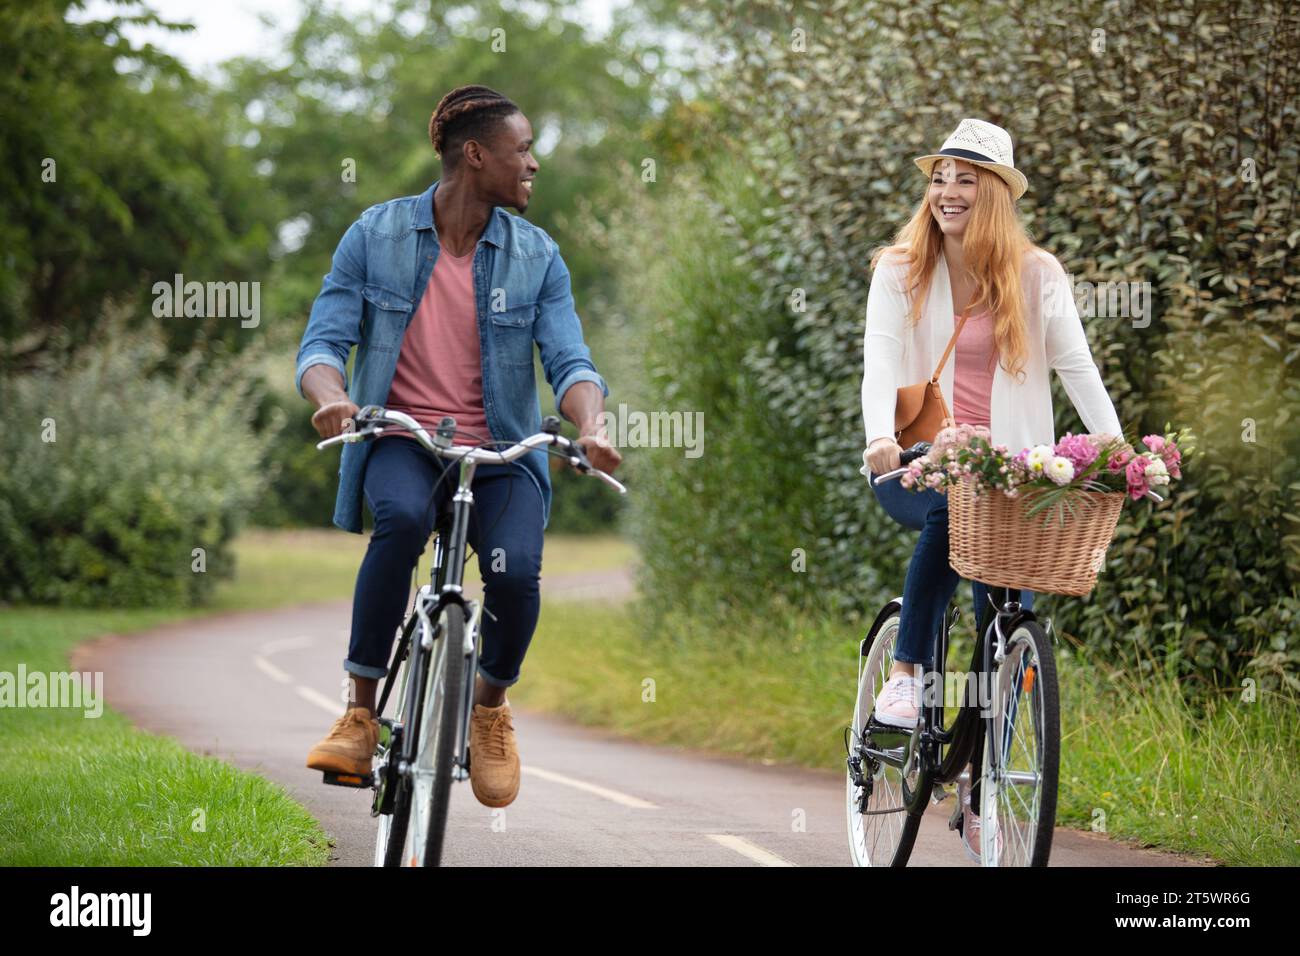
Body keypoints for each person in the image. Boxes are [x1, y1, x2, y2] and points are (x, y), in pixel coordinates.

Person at [295, 85, 621, 809]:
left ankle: (489, 709)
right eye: (523, 149)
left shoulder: (537, 257)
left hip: (502, 450)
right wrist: (333, 400)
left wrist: (591, 426)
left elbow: (571, 362)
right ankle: (359, 713)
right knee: (403, 522)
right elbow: (323, 342)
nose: (534, 163)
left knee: (514, 573)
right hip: (402, 439)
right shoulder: (374, 236)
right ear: (475, 155)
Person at [859, 118, 1123, 854]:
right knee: (948, 506)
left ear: (998, 192)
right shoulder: (900, 269)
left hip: (1010, 474)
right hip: (914, 461)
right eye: (939, 177)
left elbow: (1079, 370)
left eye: (966, 178)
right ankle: (908, 672)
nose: (947, 191)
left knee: (1011, 607)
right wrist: (883, 435)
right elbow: (881, 362)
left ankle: (983, 778)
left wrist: (1123, 455)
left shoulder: (1036, 275)